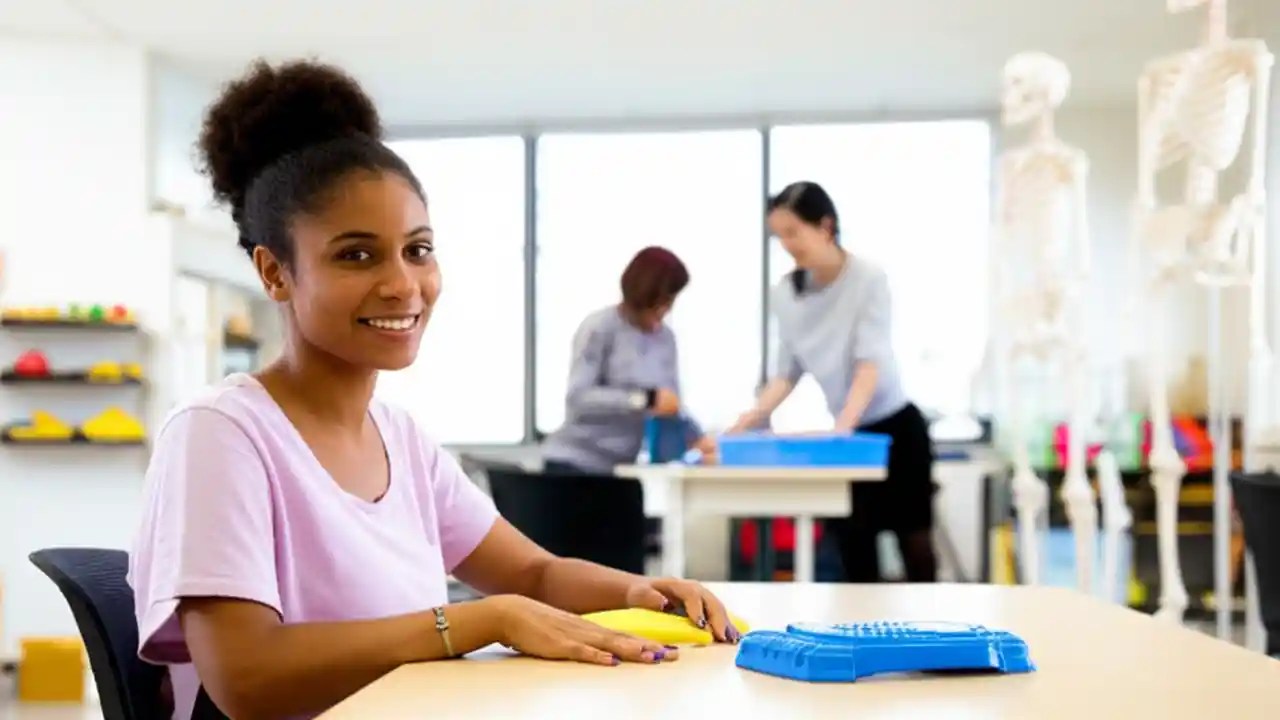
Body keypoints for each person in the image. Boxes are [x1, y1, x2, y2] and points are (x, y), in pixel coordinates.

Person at [126, 60, 737, 720]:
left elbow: (533, 575)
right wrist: (477, 622)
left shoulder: (399, 438)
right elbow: (244, 677)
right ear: (274, 272)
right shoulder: (220, 432)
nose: (402, 284)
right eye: (356, 255)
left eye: (417, 249)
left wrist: (642, 591)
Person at [727, 181, 938, 583]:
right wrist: (747, 421)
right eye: (779, 236)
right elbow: (786, 373)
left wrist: (843, 427)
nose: (787, 244)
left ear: (825, 226)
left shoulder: (868, 279)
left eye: (793, 232)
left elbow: (868, 362)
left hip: (894, 429)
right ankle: (867, 639)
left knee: (916, 547)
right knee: (854, 550)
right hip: (850, 437)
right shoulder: (786, 294)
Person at [542, 246, 714, 474]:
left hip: (621, 469)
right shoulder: (600, 327)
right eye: (663, 300)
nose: (666, 309)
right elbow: (578, 398)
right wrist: (644, 400)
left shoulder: (665, 339)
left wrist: (696, 437)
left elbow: (671, 406)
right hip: (575, 464)